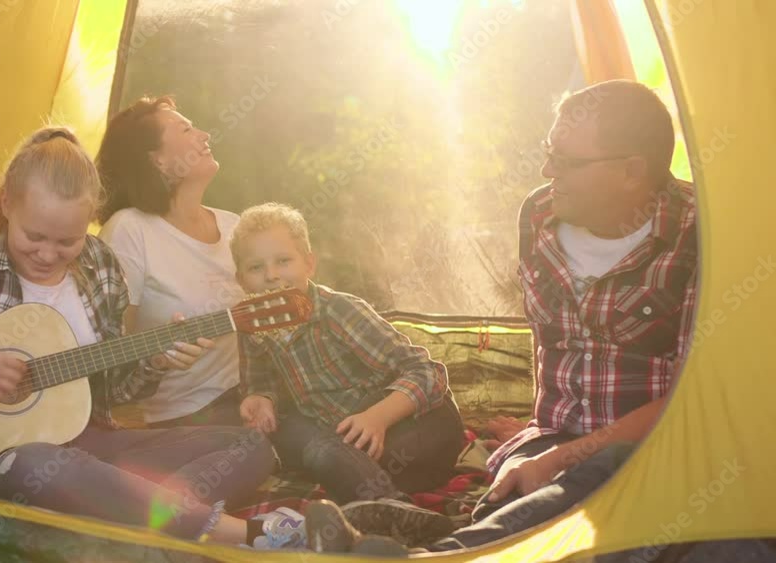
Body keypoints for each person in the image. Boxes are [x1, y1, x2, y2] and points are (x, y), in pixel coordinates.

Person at [305, 80, 699, 557]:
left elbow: (693, 394)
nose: (546, 169)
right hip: (550, 437)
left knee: (599, 492)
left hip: (652, 447)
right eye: (546, 151)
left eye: (566, 160)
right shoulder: (538, 214)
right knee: (530, 500)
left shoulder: (701, 234)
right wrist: (543, 442)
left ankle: (431, 550)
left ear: (631, 172)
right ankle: (443, 535)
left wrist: (563, 458)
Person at [0, 126, 305, 547]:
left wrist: (155, 360)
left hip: (91, 447)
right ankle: (229, 532)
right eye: (34, 236)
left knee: (251, 445)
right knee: (39, 462)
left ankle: (143, 519)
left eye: (67, 241)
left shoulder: (99, 265)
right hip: (3, 462)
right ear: (7, 204)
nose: (47, 254)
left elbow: (112, 392)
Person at [230, 202, 465, 544]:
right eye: (256, 267)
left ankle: (394, 513)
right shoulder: (253, 324)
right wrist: (260, 397)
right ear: (240, 280)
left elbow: (428, 372)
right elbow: (259, 379)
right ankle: (378, 509)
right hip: (350, 448)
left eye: (284, 261)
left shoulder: (339, 312)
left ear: (309, 263)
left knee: (323, 448)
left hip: (419, 430)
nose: (272, 276)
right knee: (301, 440)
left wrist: (378, 417)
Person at [97, 95, 244, 428]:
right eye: (187, 129)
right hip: (176, 418)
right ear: (158, 161)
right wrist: (158, 355)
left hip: (249, 400)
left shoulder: (235, 226)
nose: (205, 135)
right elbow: (109, 360)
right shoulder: (130, 230)